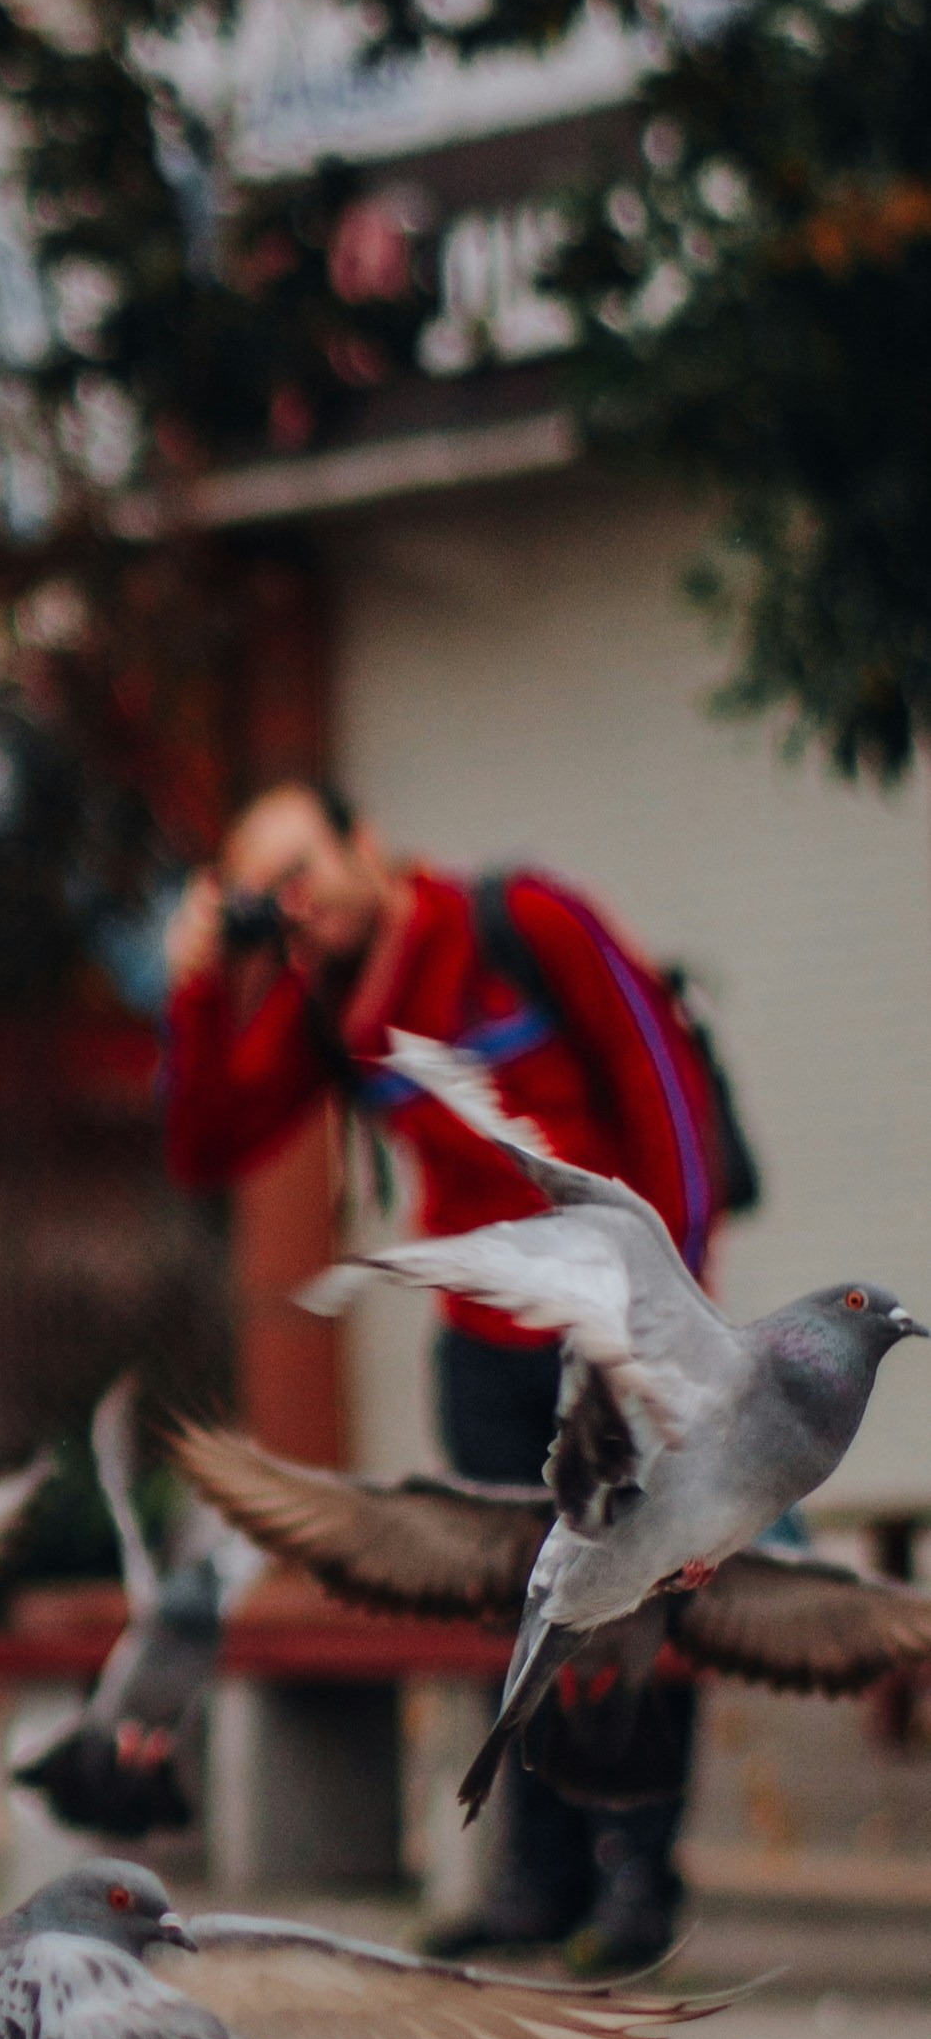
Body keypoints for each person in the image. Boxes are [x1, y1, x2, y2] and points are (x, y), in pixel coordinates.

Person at [161, 776, 734, 1972]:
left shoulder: (518, 920)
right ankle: (538, 1876)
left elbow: (665, 1095)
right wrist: (199, 984)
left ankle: (637, 1879)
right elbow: (207, 1144)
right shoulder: (330, 1004)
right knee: (513, 1609)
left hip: (615, 1315)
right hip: (483, 1342)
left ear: (365, 843)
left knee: (628, 1599)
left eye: (306, 872)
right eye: (270, 902)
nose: (298, 909)